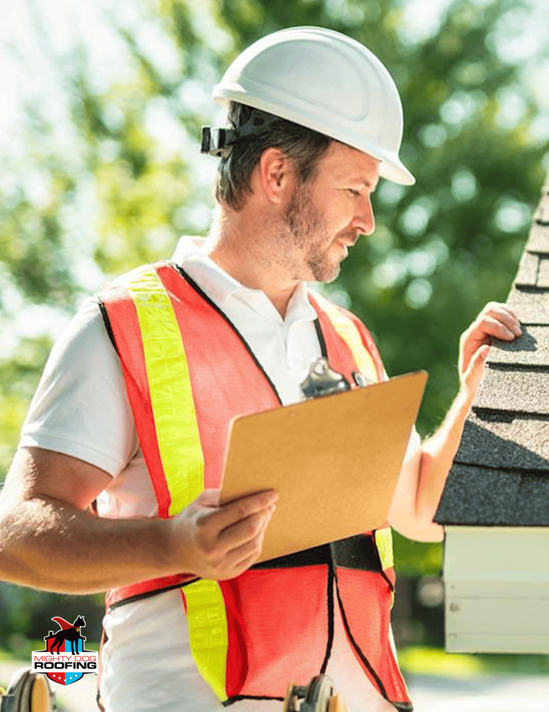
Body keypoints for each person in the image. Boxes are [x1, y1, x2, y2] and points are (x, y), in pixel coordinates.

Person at [0, 26, 521, 711]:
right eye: (355, 189)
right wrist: (173, 544)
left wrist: (474, 396)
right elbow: (17, 536)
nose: (367, 219)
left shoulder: (346, 337)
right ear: (277, 173)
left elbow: (422, 505)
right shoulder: (124, 325)